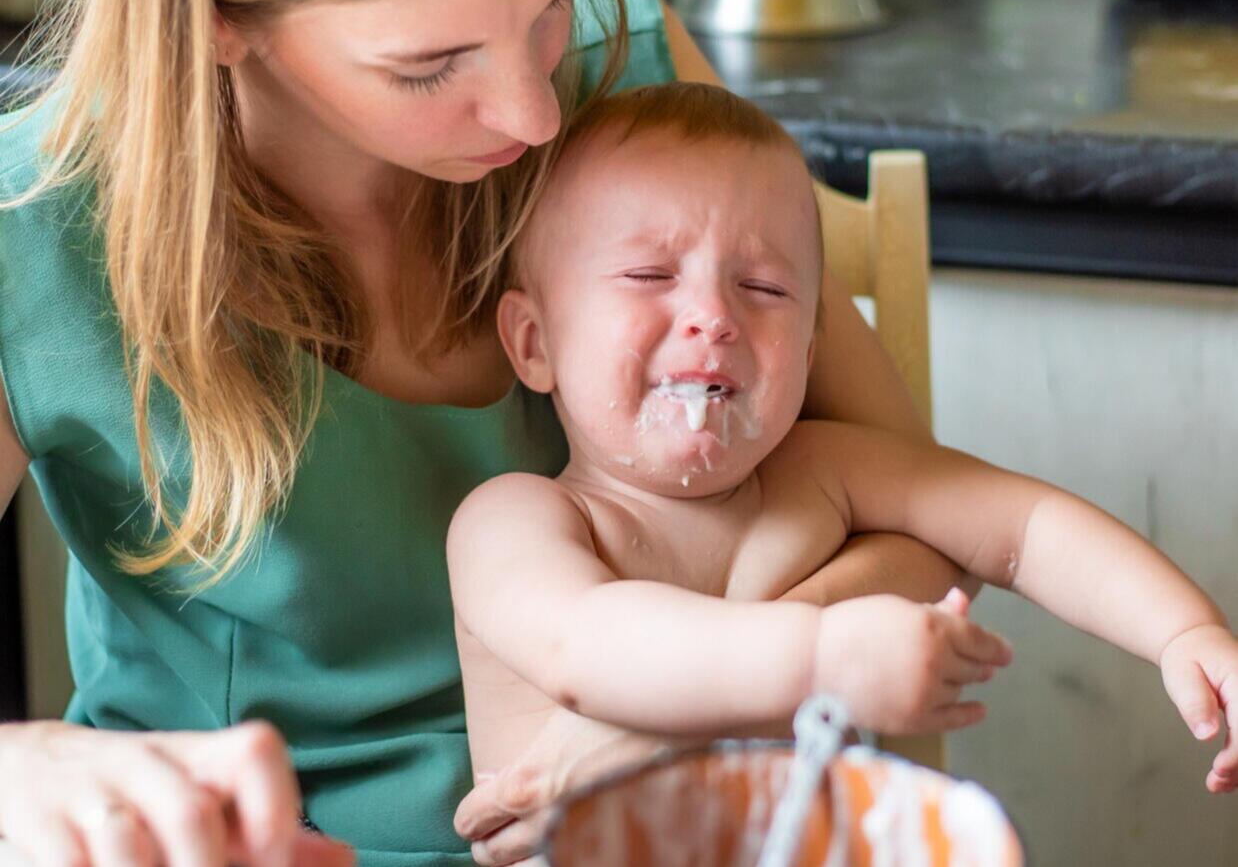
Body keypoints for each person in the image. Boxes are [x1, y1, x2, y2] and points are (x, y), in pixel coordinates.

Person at [0, 0, 977, 866]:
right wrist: (23, 769)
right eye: (429, 64)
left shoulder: (624, 69)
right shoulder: (29, 227)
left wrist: (673, 701)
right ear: (216, 12)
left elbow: (927, 525)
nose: (535, 114)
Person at [448, 81, 1238, 799]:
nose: (714, 317)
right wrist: (821, 658)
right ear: (533, 344)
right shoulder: (515, 520)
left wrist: (1183, 631)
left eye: (761, 288)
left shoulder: (821, 474)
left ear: (813, 354)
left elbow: (1024, 527)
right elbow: (583, 647)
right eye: (651, 276)